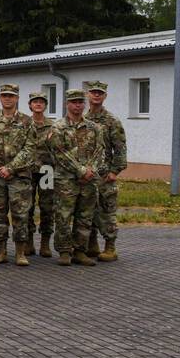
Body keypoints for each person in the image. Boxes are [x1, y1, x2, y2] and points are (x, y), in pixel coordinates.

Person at [50, 90, 105, 266]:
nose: (77, 106)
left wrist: (91, 170)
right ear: (67, 104)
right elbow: (60, 153)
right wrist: (80, 171)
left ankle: (80, 251)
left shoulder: (94, 127)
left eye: (80, 102)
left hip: (89, 180)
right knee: (64, 216)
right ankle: (65, 251)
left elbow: (99, 151)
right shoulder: (58, 127)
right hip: (66, 180)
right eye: (74, 102)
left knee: (85, 216)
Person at [0, 83, 35, 266]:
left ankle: (20, 253)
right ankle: (1, 251)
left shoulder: (27, 122)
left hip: (19, 178)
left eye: (11, 96)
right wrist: (0, 168)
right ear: (0, 98)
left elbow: (29, 150)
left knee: (21, 215)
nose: (7, 98)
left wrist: (11, 168)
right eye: (4, 95)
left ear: (17, 98)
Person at [85, 81, 126, 262]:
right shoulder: (82, 119)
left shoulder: (112, 121)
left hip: (105, 174)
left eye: (100, 93)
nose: (96, 96)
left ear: (105, 96)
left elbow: (120, 148)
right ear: (88, 95)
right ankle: (91, 244)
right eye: (93, 92)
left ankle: (110, 247)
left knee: (107, 210)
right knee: (88, 209)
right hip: (88, 174)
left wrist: (115, 171)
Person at [27, 91, 56, 258]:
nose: (38, 104)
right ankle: (29, 242)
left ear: (45, 105)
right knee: (27, 207)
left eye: (41, 102)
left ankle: (45, 243)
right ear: (30, 105)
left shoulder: (53, 126)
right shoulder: (24, 124)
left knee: (47, 208)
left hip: (47, 171)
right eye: (35, 101)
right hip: (28, 171)